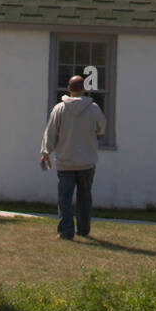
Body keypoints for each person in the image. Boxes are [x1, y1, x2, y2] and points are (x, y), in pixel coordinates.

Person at [40, 75, 106, 241]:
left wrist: (46, 152)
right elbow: (102, 129)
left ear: (69, 89)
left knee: (65, 198)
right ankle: (83, 229)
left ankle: (66, 231)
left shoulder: (60, 109)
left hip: (65, 161)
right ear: (83, 89)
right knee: (85, 196)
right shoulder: (93, 108)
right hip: (87, 161)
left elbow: (51, 133)